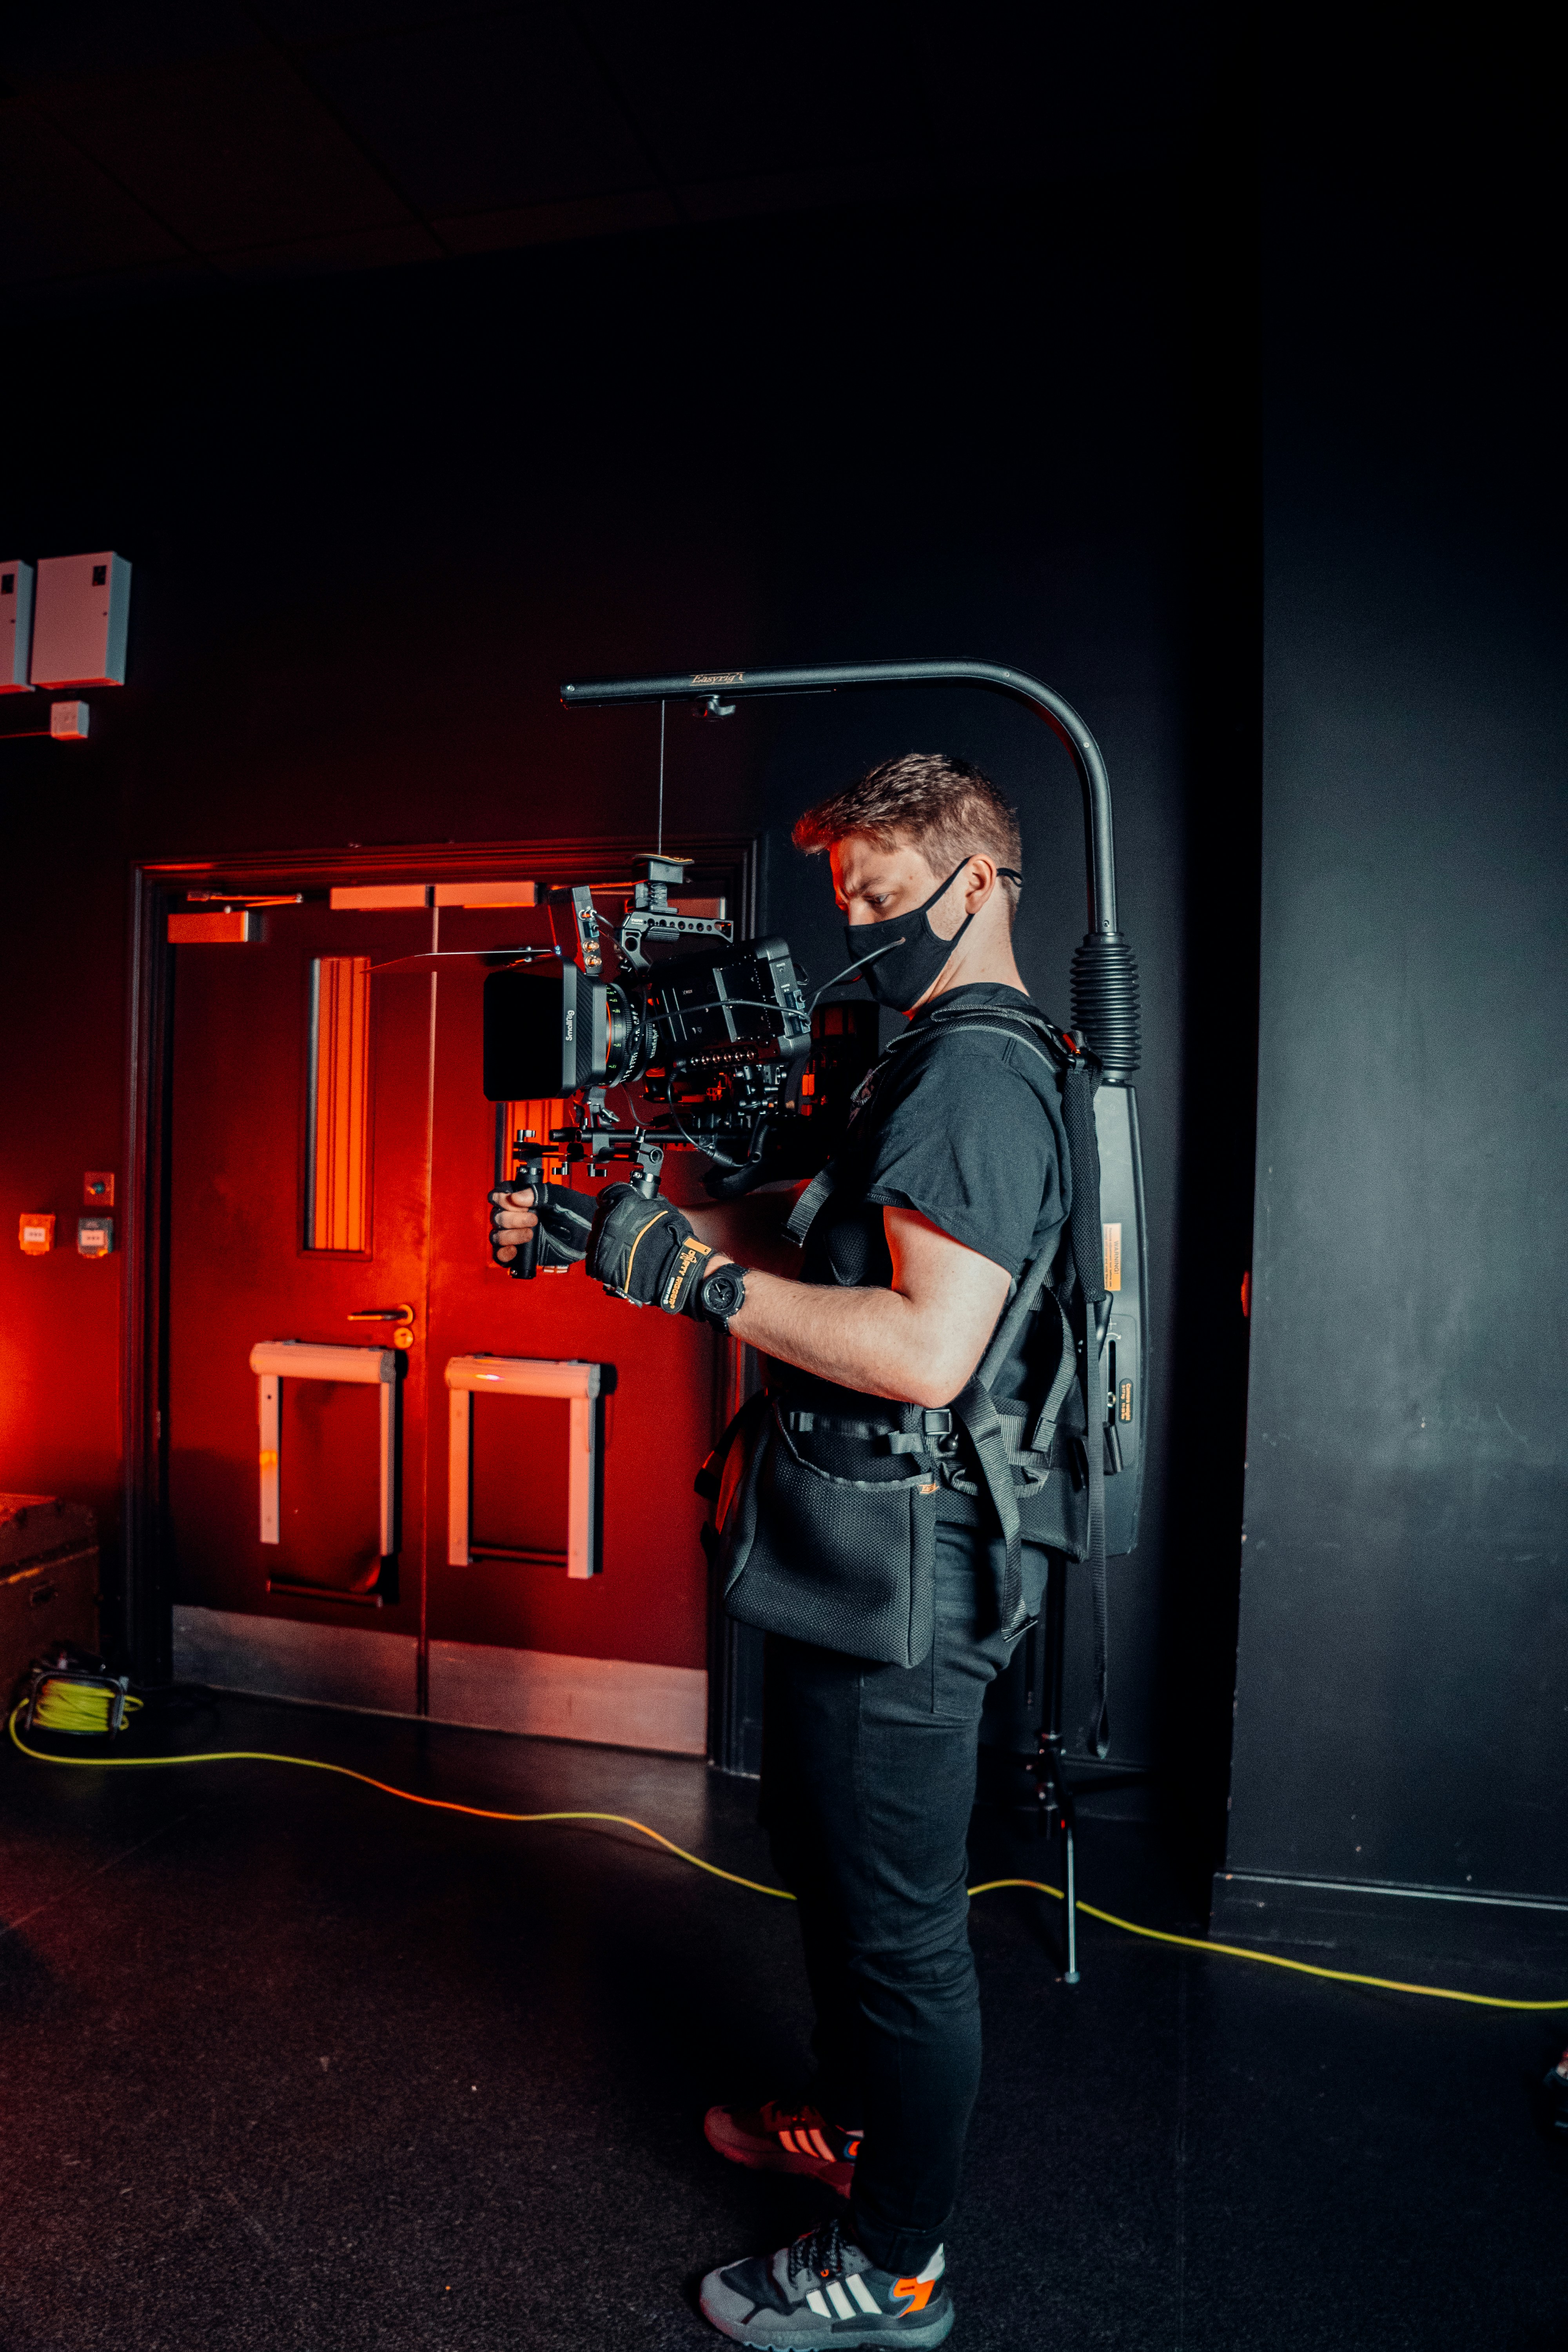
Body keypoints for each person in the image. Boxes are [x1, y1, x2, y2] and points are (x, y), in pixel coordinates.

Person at [491, 754, 1084, 2349]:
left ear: (976, 884)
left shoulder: (976, 1076)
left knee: (900, 1935)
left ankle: (895, 2267)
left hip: (913, 1573)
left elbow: (923, 1350)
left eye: (884, 898)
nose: (860, 929)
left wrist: (692, 1285)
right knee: (833, 1872)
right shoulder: (922, 1062)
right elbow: (820, 1240)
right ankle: (850, 2121)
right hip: (849, 1549)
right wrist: (626, 1232)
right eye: (846, 898)